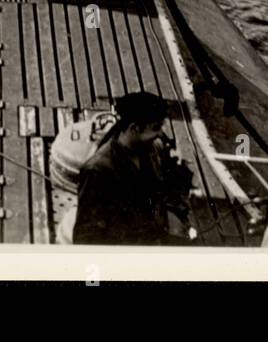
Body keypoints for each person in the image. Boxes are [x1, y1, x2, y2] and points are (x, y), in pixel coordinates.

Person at [73, 91, 194, 246]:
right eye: (156, 128)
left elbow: (171, 185)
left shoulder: (154, 148)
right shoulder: (98, 171)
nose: (160, 133)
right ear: (134, 128)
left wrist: (174, 213)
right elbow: (87, 235)